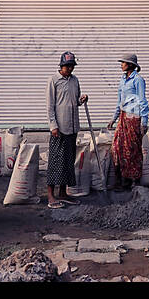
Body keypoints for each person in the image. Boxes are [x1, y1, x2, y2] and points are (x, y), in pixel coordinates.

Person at [46, 51, 88, 210]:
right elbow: (50, 106)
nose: (70, 69)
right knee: (56, 161)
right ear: (61, 65)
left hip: (72, 127)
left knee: (68, 161)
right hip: (59, 128)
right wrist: (53, 125)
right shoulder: (53, 80)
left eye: (72, 66)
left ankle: (63, 193)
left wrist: (82, 99)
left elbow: (75, 101)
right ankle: (51, 195)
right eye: (67, 66)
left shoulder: (75, 80)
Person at [106, 55, 149, 190]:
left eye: (123, 63)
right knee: (117, 148)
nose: (121, 65)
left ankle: (133, 180)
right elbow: (120, 101)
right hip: (123, 118)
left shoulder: (138, 80)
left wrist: (144, 122)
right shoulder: (123, 80)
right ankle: (121, 179)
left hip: (134, 118)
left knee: (132, 149)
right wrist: (114, 118)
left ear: (130, 65)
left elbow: (142, 101)